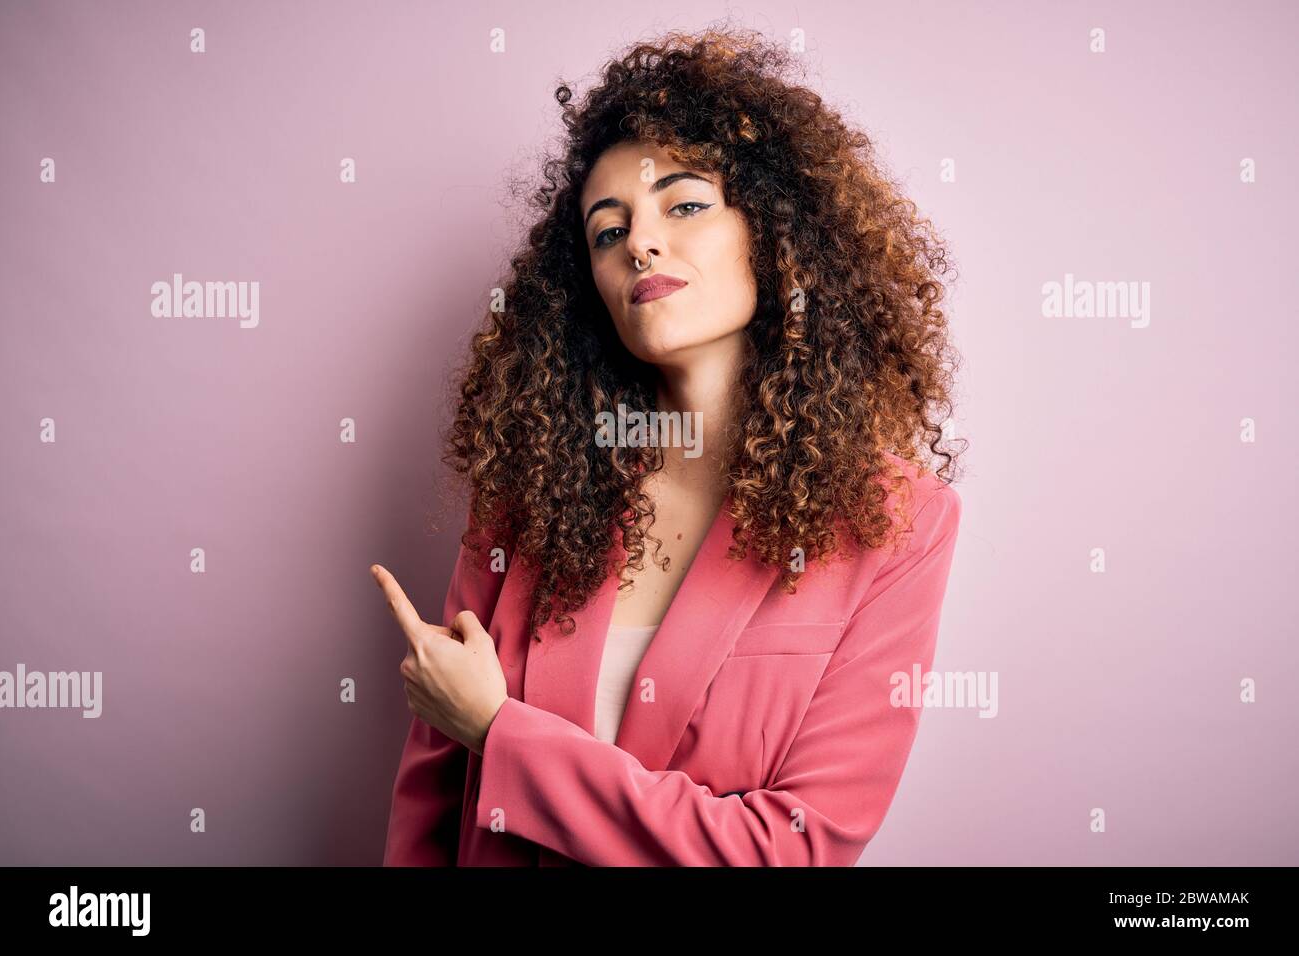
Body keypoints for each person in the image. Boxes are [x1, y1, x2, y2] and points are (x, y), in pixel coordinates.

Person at [375, 25, 966, 866]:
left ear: (770, 229)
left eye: (684, 205)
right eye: (607, 232)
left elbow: (791, 849)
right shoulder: (530, 492)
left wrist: (501, 734)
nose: (640, 243)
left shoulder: (897, 522)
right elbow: (430, 806)